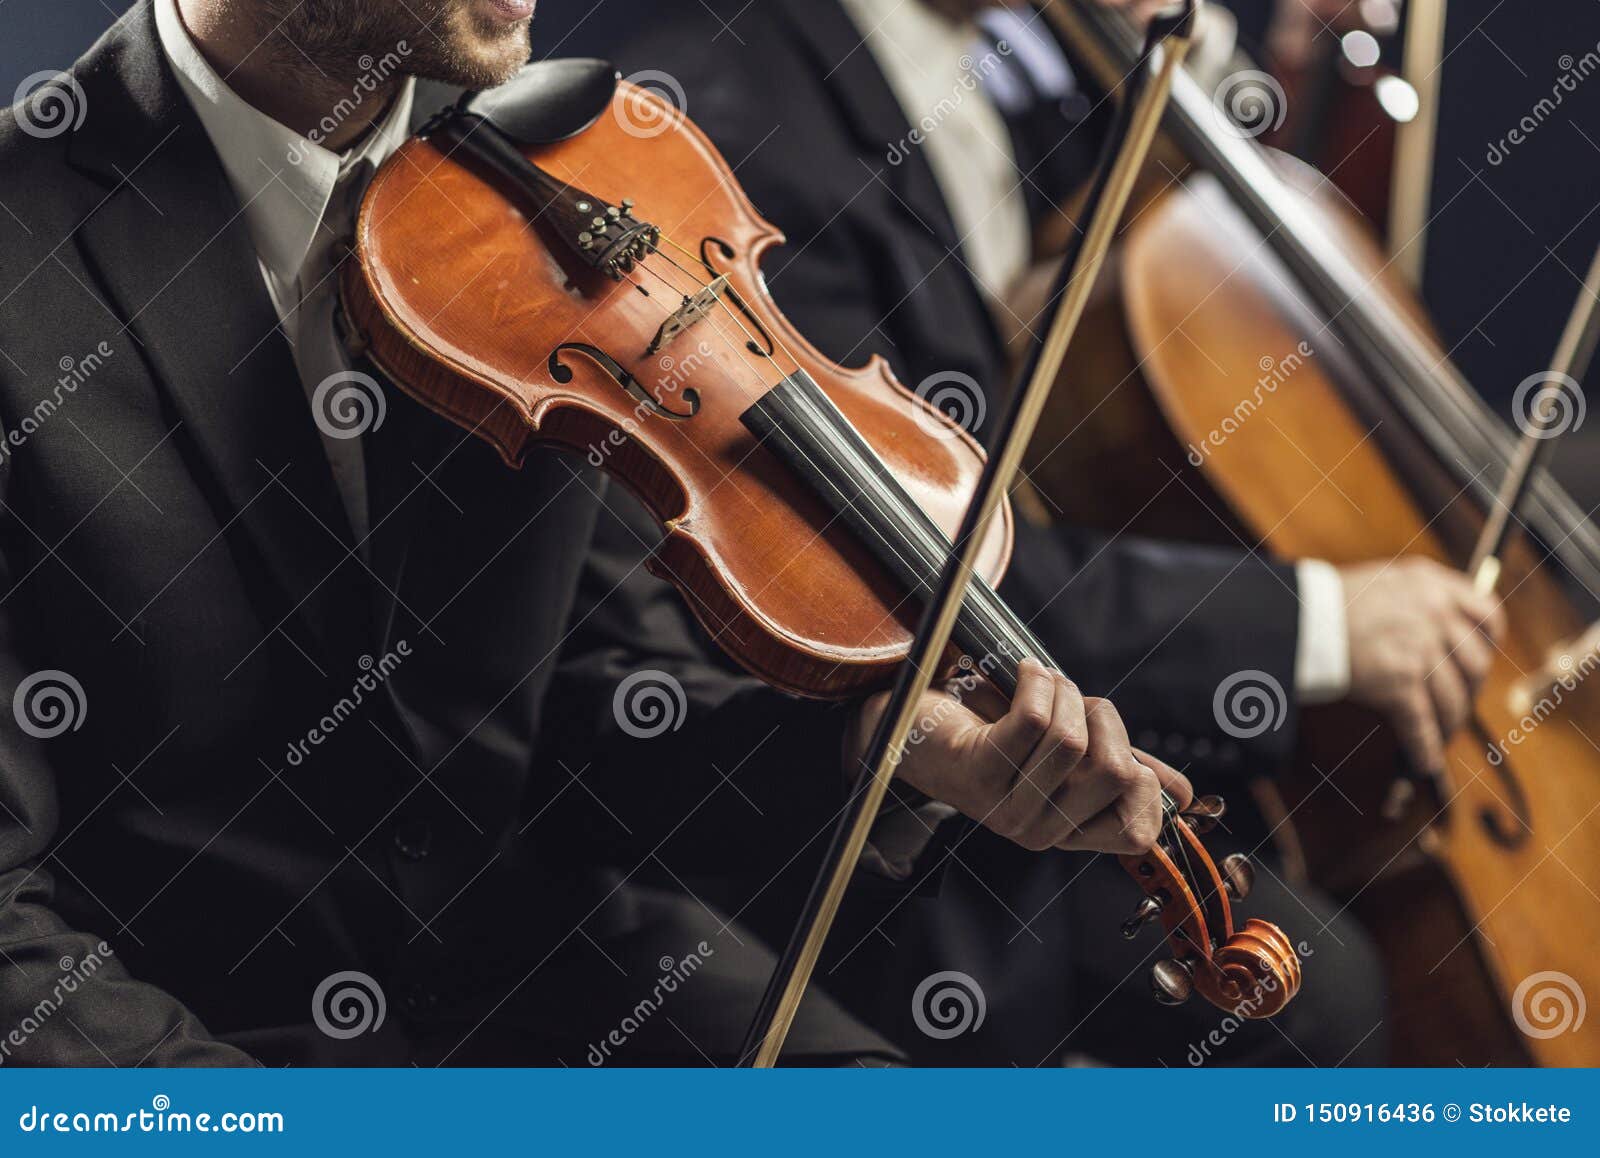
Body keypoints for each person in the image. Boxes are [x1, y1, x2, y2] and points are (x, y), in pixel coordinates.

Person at [0, 0, 1195, 1066]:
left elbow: (595, 708)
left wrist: (884, 753)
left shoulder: (550, 180)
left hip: (563, 975)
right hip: (209, 1039)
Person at [593, 0, 1506, 1065]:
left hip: (1046, 718)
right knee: (1318, 994)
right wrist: (1322, 623)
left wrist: (1181, 51)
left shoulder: (998, 70)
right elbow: (904, 572)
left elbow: (1142, 208)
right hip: (843, 820)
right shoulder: (732, 117)